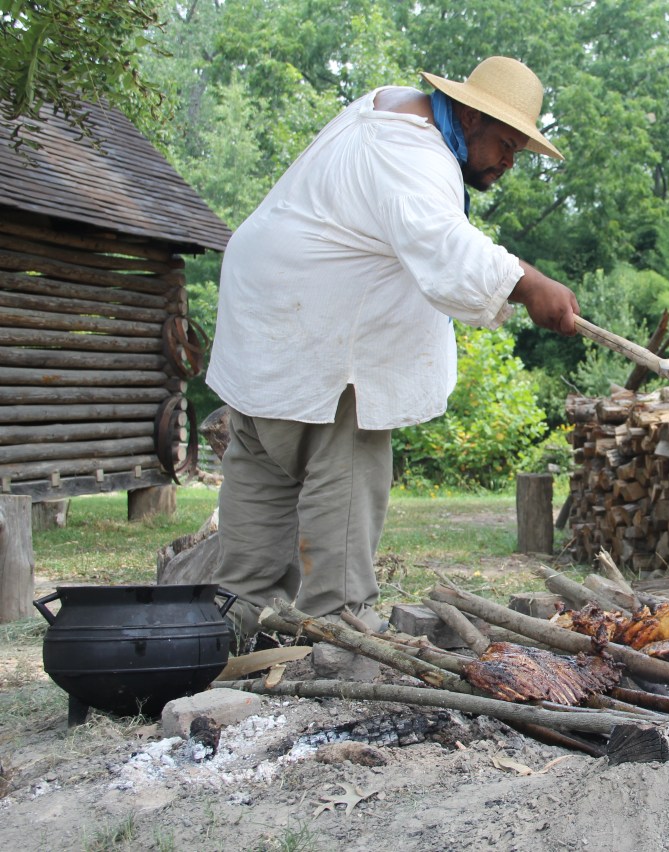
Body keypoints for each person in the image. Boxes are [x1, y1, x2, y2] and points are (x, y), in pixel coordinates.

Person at [205, 56, 579, 665]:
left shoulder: (382, 109)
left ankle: (235, 628)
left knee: (261, 471)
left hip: (267, 332)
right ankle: (341, 633)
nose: (508, 163)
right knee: (344, 461)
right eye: (506, 144)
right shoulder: (414, 148)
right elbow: (444, 244)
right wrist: (530, 283)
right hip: (322, 346)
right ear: (468, 114)